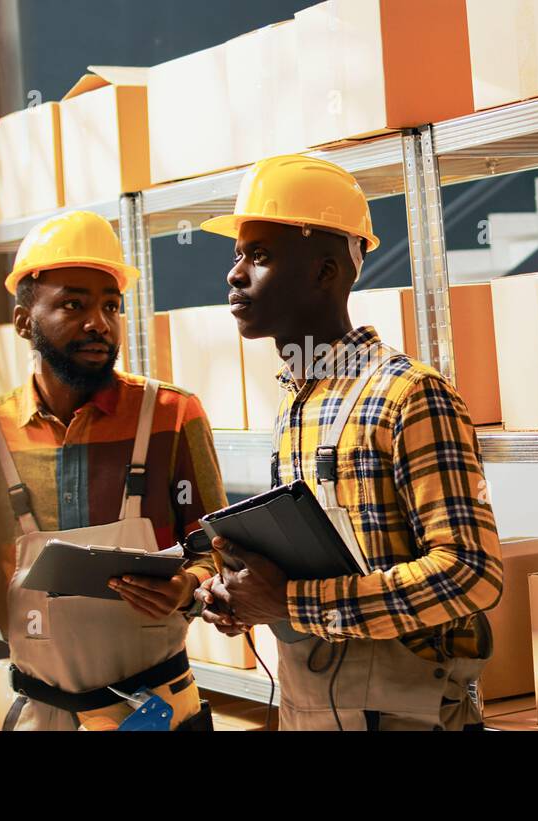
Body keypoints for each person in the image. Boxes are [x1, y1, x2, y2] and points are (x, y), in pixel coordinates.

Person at [194, 156, 503, 731]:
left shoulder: (410, 396)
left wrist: (289, 604)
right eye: (237, 256)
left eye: (259, 256)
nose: (236, 274)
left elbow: (470, 573)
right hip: (310, 708)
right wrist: (242, 596)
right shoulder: (296, 402)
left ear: (326, 272)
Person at [0, 210, 227, 731]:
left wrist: (188, 585)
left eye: (110, 306)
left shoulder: (170, 415)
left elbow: (220, 548)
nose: (99, 322)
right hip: (41, 713)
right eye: (73, 304)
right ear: (25, 321)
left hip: (155, 710)